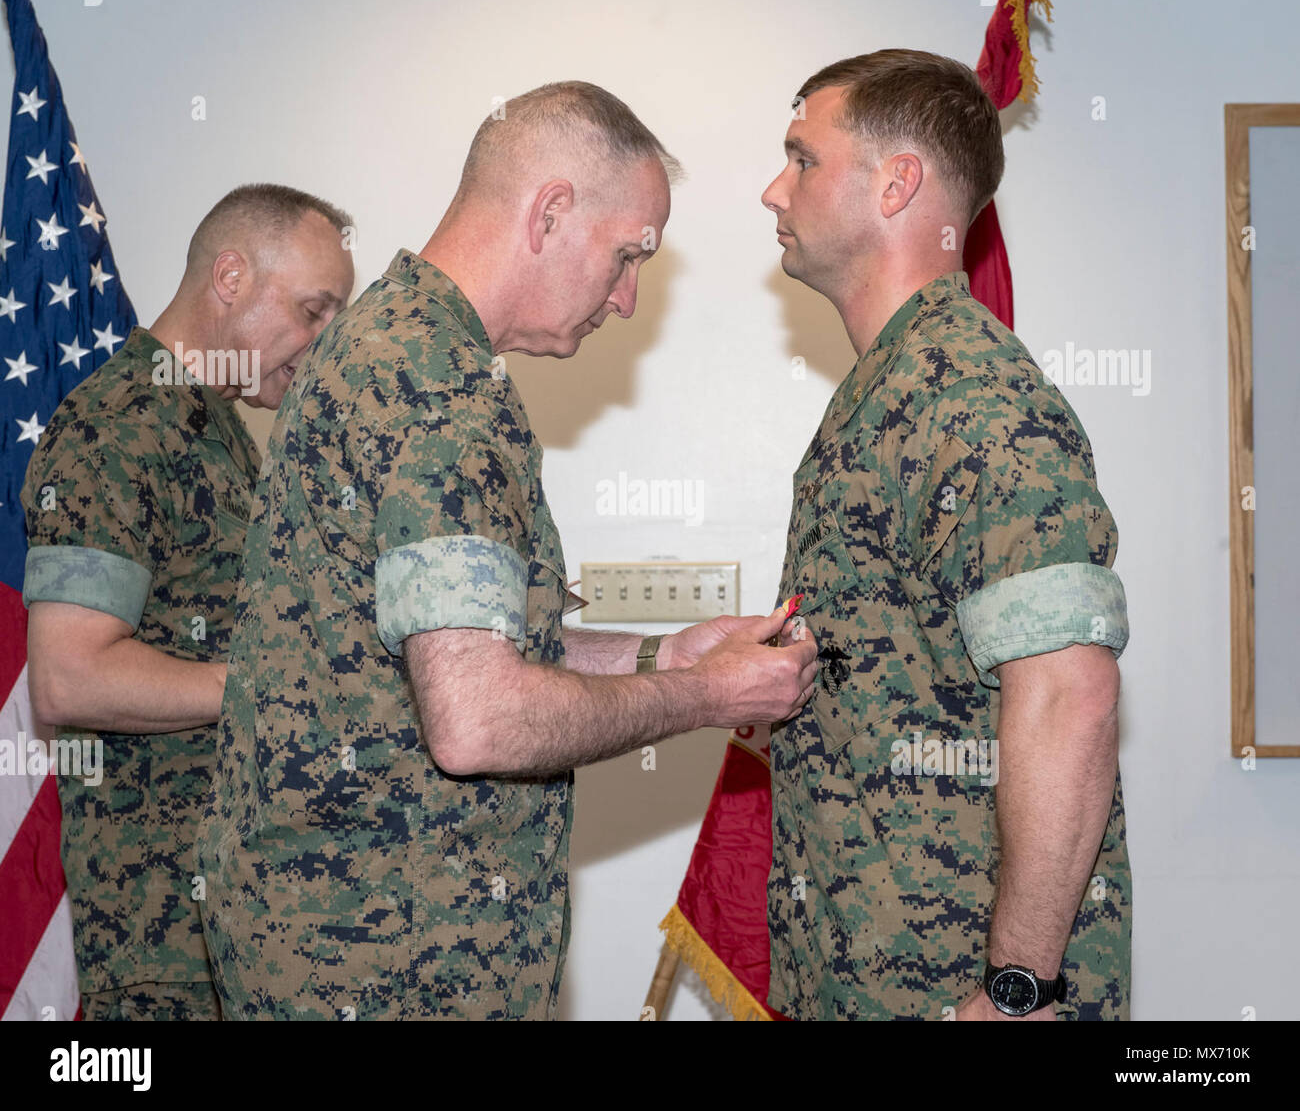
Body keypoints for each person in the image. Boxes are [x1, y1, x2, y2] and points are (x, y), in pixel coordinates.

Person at [196, 81, 818, 1021]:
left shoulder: (395, 346)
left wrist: (668, 652)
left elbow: (460, 651)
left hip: (344, 942)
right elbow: (479, 719)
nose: (626, 296)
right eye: (626, 255)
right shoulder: (435, 385)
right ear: (551, 211)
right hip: (382, 964)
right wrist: (706, 697)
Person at [760, 50, 1131, 1020]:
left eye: (801, 159)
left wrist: (1015, 992)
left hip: (957, 990)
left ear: (897, 183)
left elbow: (1070, 695)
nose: (773, 188)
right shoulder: (888, 389)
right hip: (864, 971)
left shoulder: (973, 395)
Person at [21, 183, 355, 1020]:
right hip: (162, 937)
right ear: (231, 276)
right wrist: (277, 682)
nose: (320, 344)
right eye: (312, 312)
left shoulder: (217, 431)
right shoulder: (113, 430)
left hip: (242, 926)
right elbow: (69, 677)